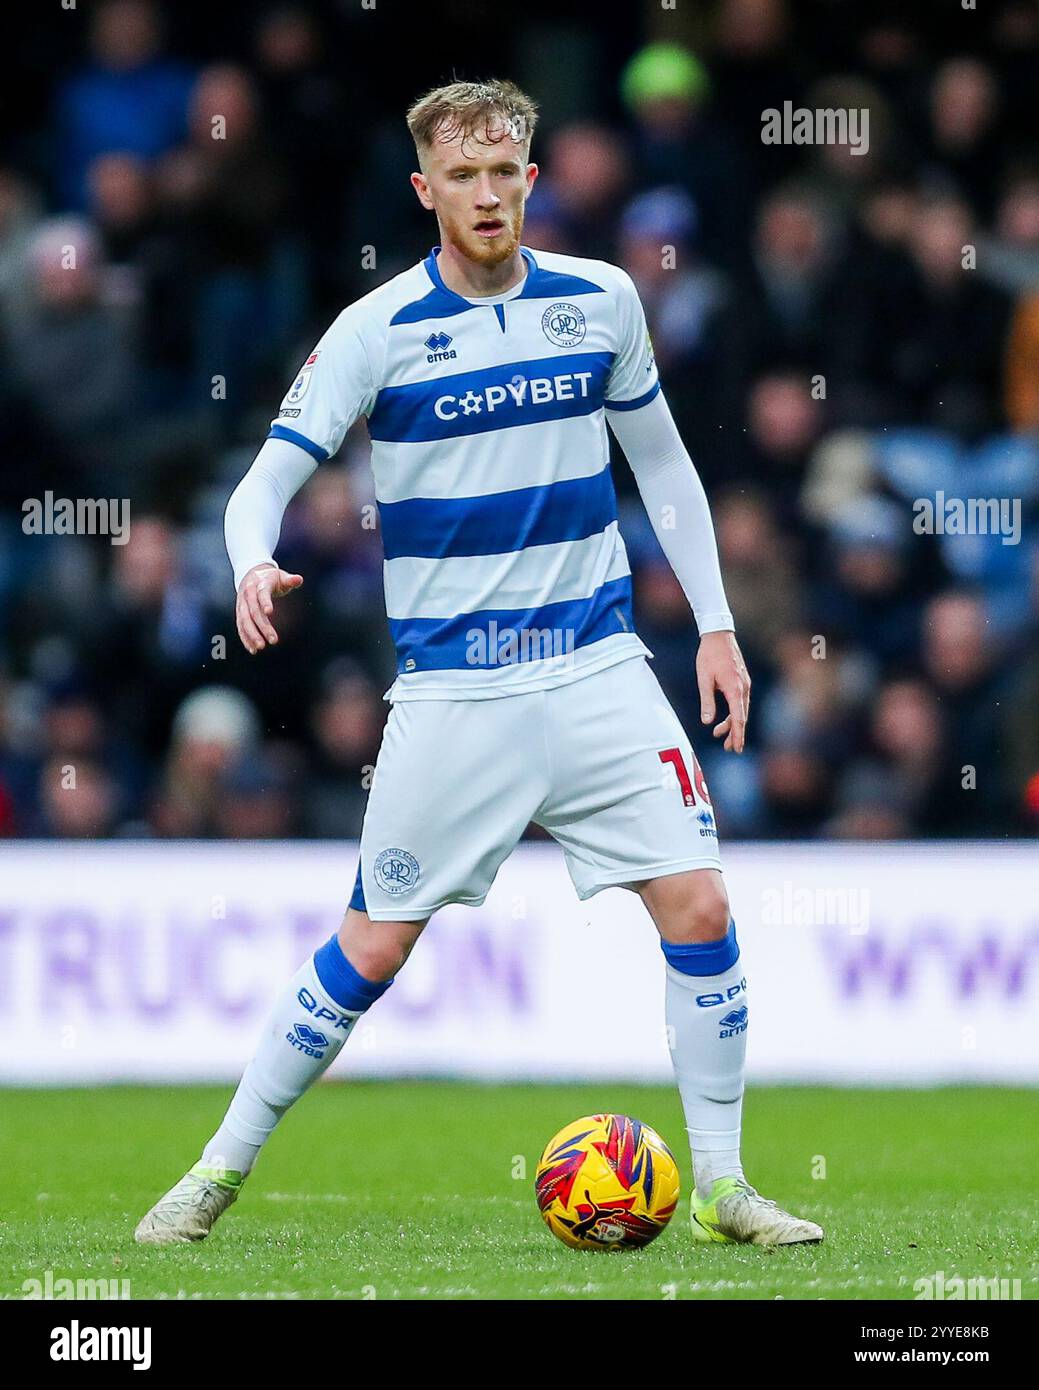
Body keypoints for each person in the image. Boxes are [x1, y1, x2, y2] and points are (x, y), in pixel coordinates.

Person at [135, 79, 821, 1249]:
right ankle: (213, 1171)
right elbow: (262, 485)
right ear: (426, 191)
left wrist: (713, 623)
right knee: (373, 944)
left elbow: (663, 470)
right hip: (457, 690)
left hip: (601, 665)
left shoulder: (600, 302)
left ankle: (720, 1186)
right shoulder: (376, 330)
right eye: (464, 176)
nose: (488, 194)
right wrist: (249, 561)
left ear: (531, 180)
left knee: (700, 902)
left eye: (506, 172)